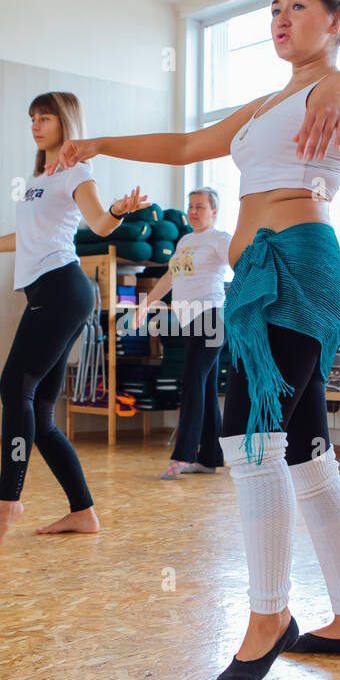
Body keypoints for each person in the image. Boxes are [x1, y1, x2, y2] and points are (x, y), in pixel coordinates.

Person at [50, 0, 340, 680]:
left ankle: (269, 615)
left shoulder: (338, 87)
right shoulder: (265, 106)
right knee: (304, 453)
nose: (281, 19)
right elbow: (183, 146)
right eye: (274, 7)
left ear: (335, 20)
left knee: (249, 438)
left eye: (298, 5)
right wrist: (101, 143)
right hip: (255, 280)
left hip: (297, 270)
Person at [0, 92, 148, 545]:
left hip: (62, 288)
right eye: (32, 118)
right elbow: (24, 236)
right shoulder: (38, 179)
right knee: (42, 414)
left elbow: (99, 224)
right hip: (47, 291)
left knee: (14, 388)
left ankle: (7, 503)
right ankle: (83, 512)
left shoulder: (77, 171)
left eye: (45, 117)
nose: (35, 125)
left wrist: (118, 210)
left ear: (65, 121)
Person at [134, 188, 232, 479]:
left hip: (212, 317)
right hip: (190, 321)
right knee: (205, 386)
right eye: (190, 206)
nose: (193, 211)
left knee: (192, 381)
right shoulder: (185, 241)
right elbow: (170, 277)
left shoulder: (220, 239)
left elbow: (242, 266)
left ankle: (183, 455)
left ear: (214, 211)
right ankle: (209, 458)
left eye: (200, 206)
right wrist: (144, 305)